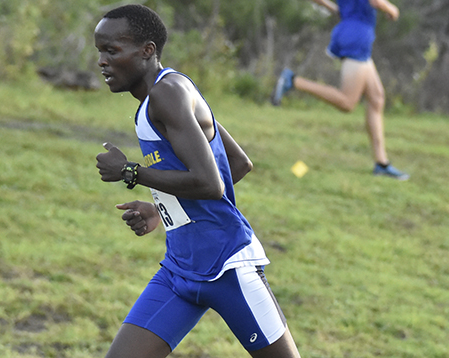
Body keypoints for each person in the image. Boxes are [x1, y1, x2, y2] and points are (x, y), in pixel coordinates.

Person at [93, 4, 302, 358]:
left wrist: (130, 172)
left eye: (112, 51)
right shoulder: (167, 91)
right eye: (99, 51)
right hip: (179, 270)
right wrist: (162, 210)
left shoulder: (167, 94)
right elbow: (237, 163)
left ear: (147, 51)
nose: (101, 61)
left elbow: (210, 183)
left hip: (227, 267)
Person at [271, 0, 409, 180]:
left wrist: (338, 9)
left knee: (376, 98)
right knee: (347, 102)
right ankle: (294, 81)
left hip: (353, 31)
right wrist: (390, 8)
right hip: (357, 36)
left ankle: (381, 163)